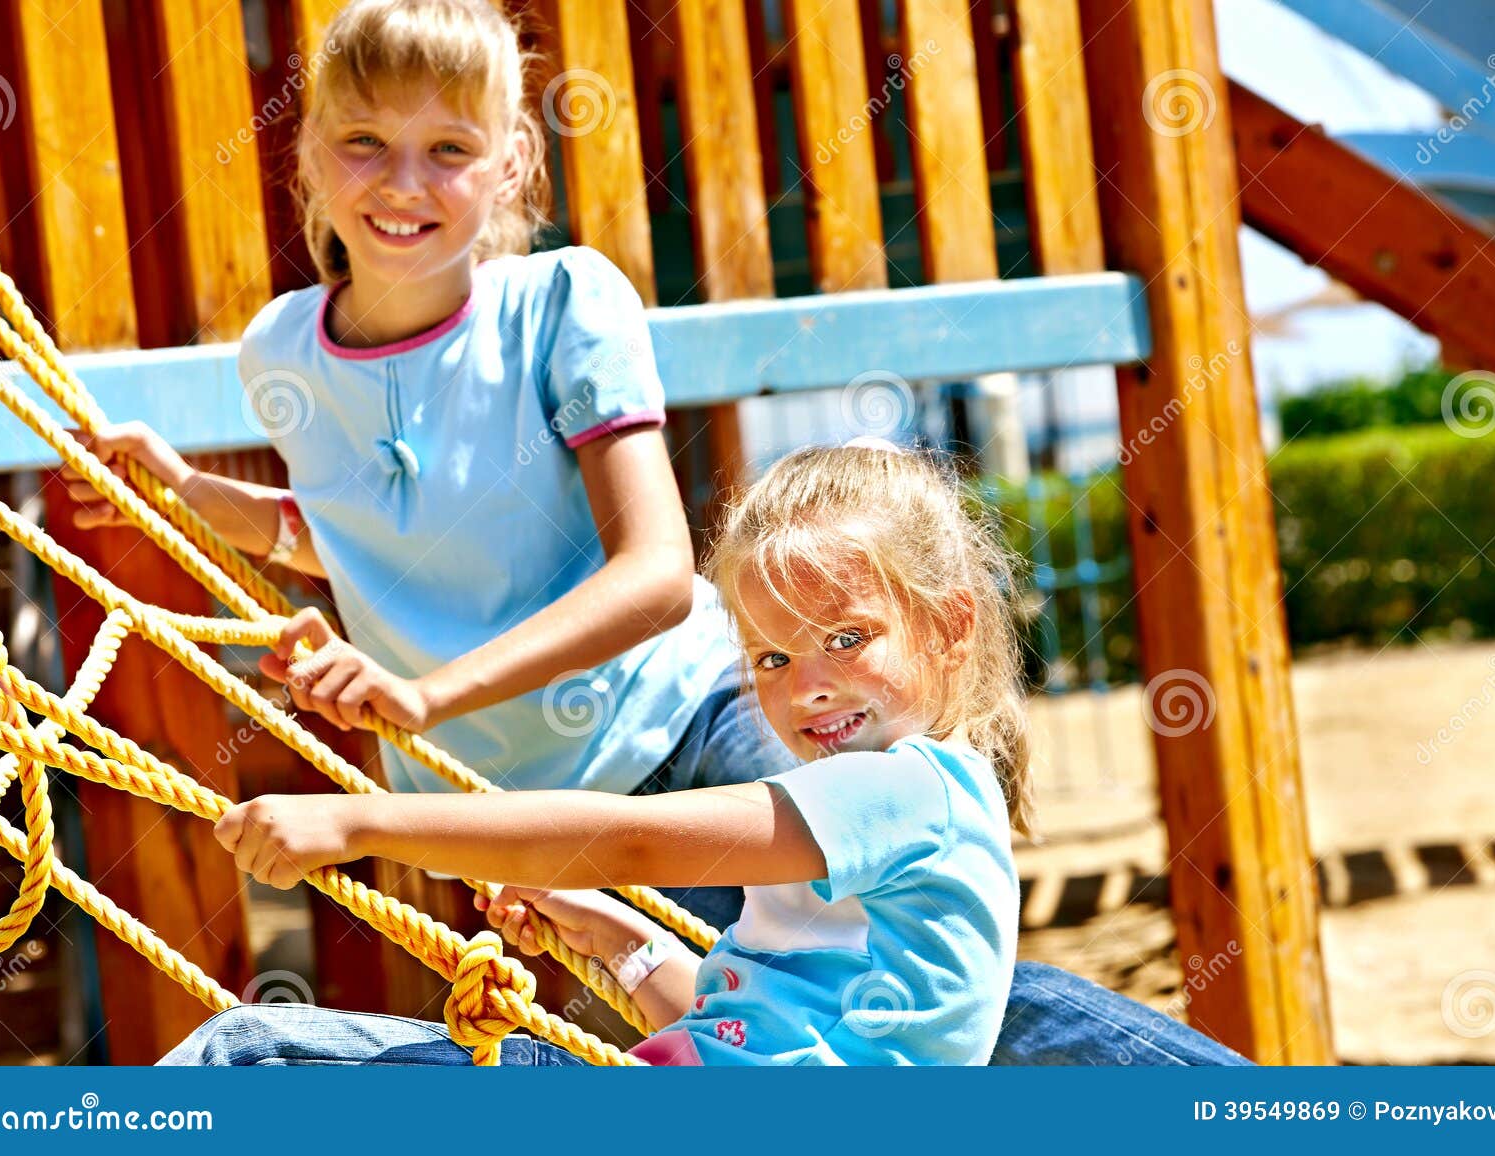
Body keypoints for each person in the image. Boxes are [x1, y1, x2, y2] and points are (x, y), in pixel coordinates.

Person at [77, 0, 1248, 1067]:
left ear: (511, 163)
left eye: (448, 148)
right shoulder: (284, 354)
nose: (404, 182)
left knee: (897, 943)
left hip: (683, 723)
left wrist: (427, 702)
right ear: (306, 156)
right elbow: (360, 532)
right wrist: (183, 491)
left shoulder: (561, 305)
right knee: (765, 1005)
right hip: (517, 794)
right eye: (363, 143)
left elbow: (650, 575)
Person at [164, 444, 1029, 1065]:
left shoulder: (909, 789)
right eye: (772, 658)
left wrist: (358, 822)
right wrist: (620, 939)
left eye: (845, 638)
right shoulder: (890, 821)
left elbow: (633, 841)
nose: (806, 687)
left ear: (952, 625)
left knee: (254, 1051)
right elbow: (746, 1027)